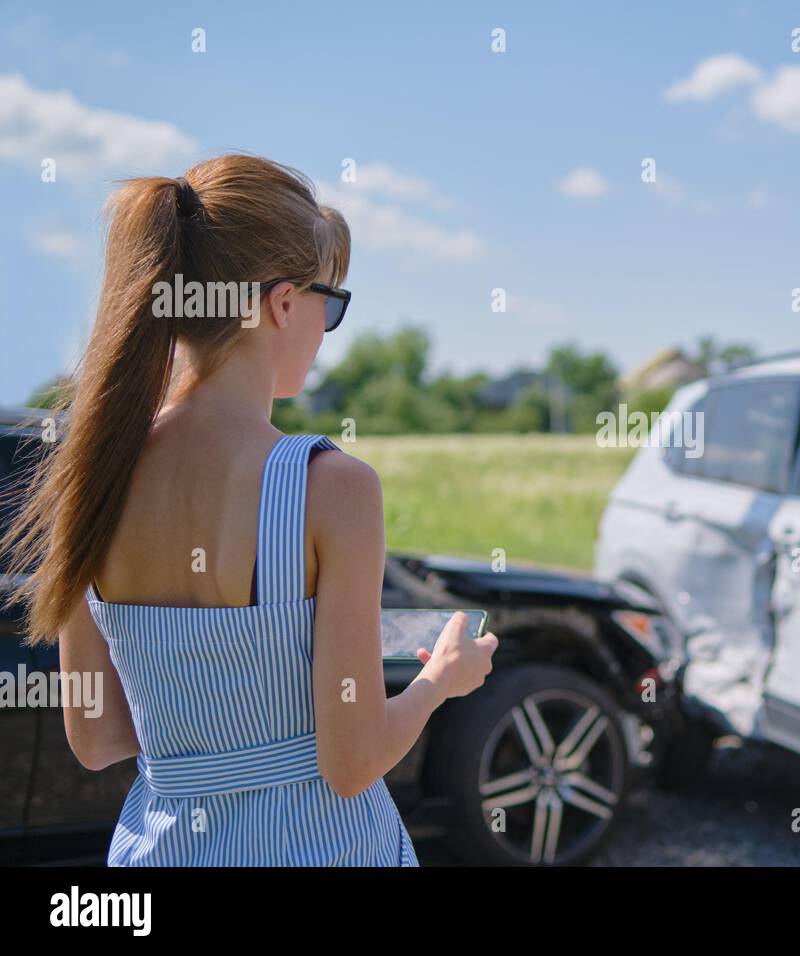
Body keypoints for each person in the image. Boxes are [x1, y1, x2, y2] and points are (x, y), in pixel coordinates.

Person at [0, 154, 497, 865]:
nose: (328, 327)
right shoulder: (332, 487)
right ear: (283, 303)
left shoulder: (93, 472)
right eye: (331, 301)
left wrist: (209, 730)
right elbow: (351, 763)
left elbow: (97, 737)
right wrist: (438, 682)